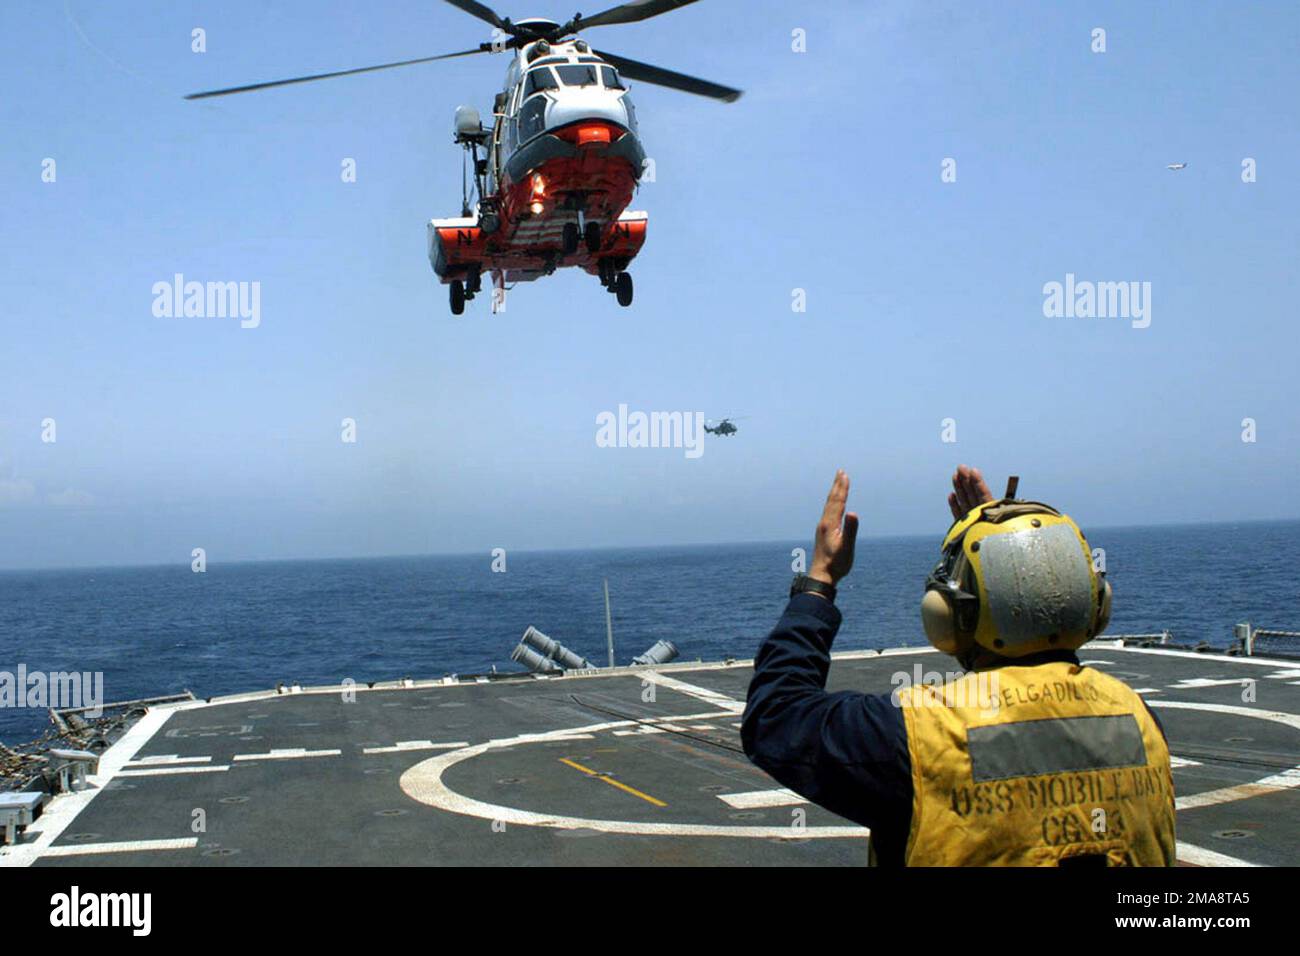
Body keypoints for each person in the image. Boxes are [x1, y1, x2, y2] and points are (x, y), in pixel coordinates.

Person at [742, 465, 1176, 866]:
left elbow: (776, 718)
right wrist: (1005, 551)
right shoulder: (1141, 719)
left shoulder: (920, 735)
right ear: (1095, 602)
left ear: (950, 612)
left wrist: (818, 583)